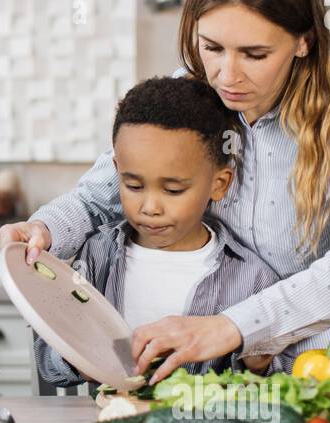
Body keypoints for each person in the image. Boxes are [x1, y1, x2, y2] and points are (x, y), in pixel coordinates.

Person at [0, 0, 330, 383]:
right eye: (212, 47)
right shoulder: (195, 92)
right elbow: (100, 198)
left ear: (303, 41)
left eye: (255, 54)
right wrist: (43, 229)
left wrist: (234, 327)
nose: (227, 76)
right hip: (229, 381)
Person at [34, 76, 291, 388]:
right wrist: (82, 360)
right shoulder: (97, 256)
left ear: (219, 184)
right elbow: (48, 363)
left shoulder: (252, 279)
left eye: (172, 190)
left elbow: (277, 384)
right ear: (116, 171)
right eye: (134, 185)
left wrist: (258, 362)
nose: (150, 207)